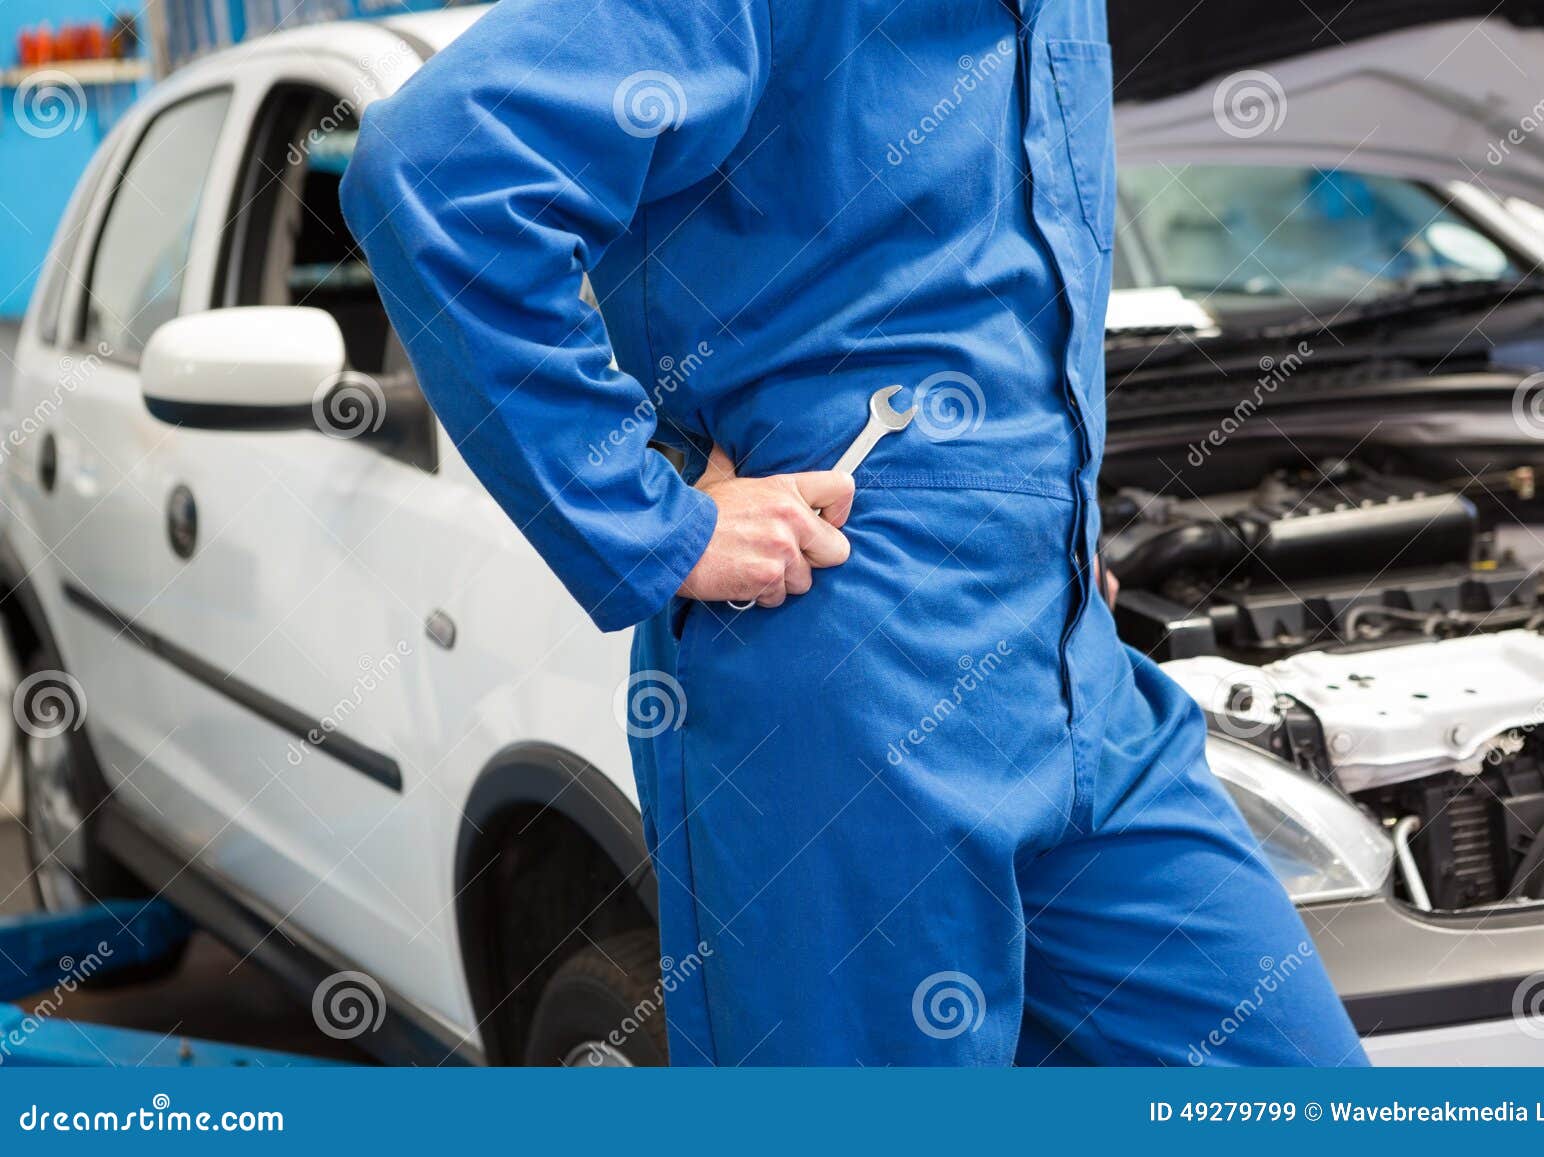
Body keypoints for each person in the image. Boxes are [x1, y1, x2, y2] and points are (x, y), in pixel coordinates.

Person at [341, 0, 1367, 1066]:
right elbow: (438, 167)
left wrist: (1049, 518)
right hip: (848, 677)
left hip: (1076, 671)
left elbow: (990, 295)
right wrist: (652, 523)